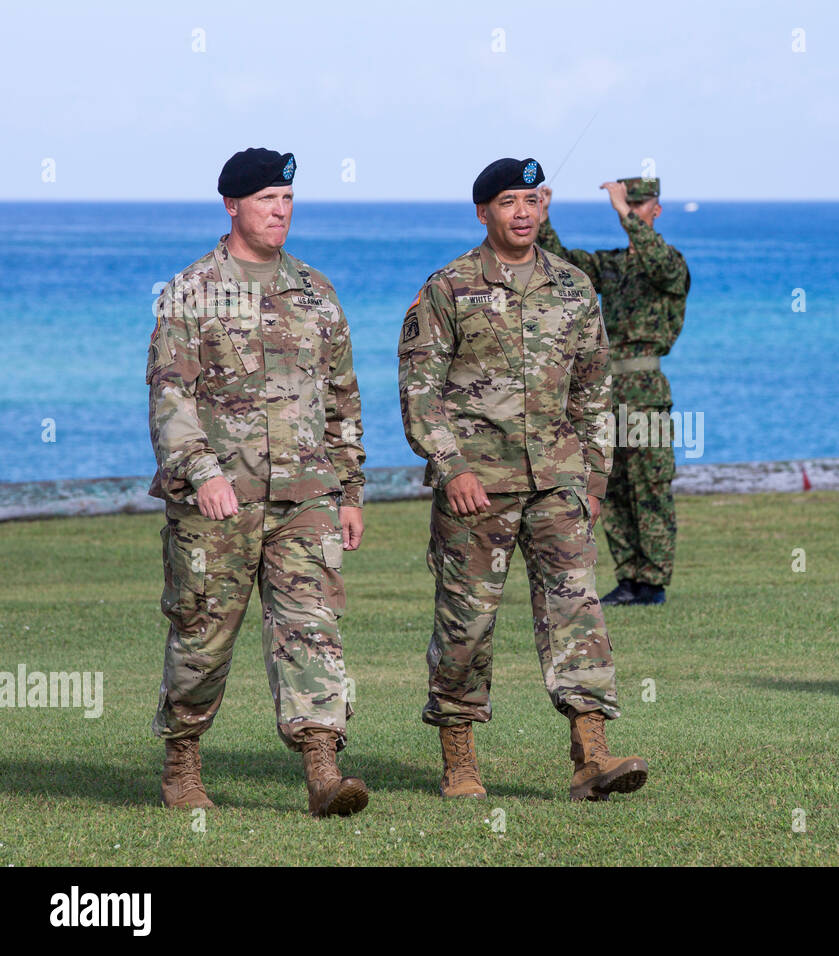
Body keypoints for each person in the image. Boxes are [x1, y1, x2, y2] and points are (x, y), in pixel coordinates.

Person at [399, 156, 648, 801]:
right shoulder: (448, 288)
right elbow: (419, 393)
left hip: (558, 482)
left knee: (577, 612)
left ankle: (591, 753)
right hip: (476, 487)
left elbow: (594, 388)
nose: (523, 214)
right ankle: (459, 758)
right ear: (483, 211)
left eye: (534, 201)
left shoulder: (574, 286)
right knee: (467, 623)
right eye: (509, 202)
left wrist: (594, 478)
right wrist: (449, 467)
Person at [146, 148, 369, 816]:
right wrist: (204, 472)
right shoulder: (191, 290)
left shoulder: (316, 290)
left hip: (305, 497)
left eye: (288, 199)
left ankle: (324, 769)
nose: (280, 211)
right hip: (218, 504)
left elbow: (341, 399)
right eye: (268, 198)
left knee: (313, 629)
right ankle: (182, 762)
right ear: (233, 205)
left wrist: (351, 490)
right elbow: (169, 396)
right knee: (203, 638)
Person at [538, 176, 689, 606]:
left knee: (650, 484)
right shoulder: (616, 264)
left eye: (639, 206)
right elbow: (563, 266)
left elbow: (657, 260)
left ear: (655, 211)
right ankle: (630, 578)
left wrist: (622, 212)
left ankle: (653, 582)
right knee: (612, 482)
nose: (632, 211)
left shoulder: (670, 263)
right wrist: (544, 218)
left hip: (645, 391)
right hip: (606, 390)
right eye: (629, 205)